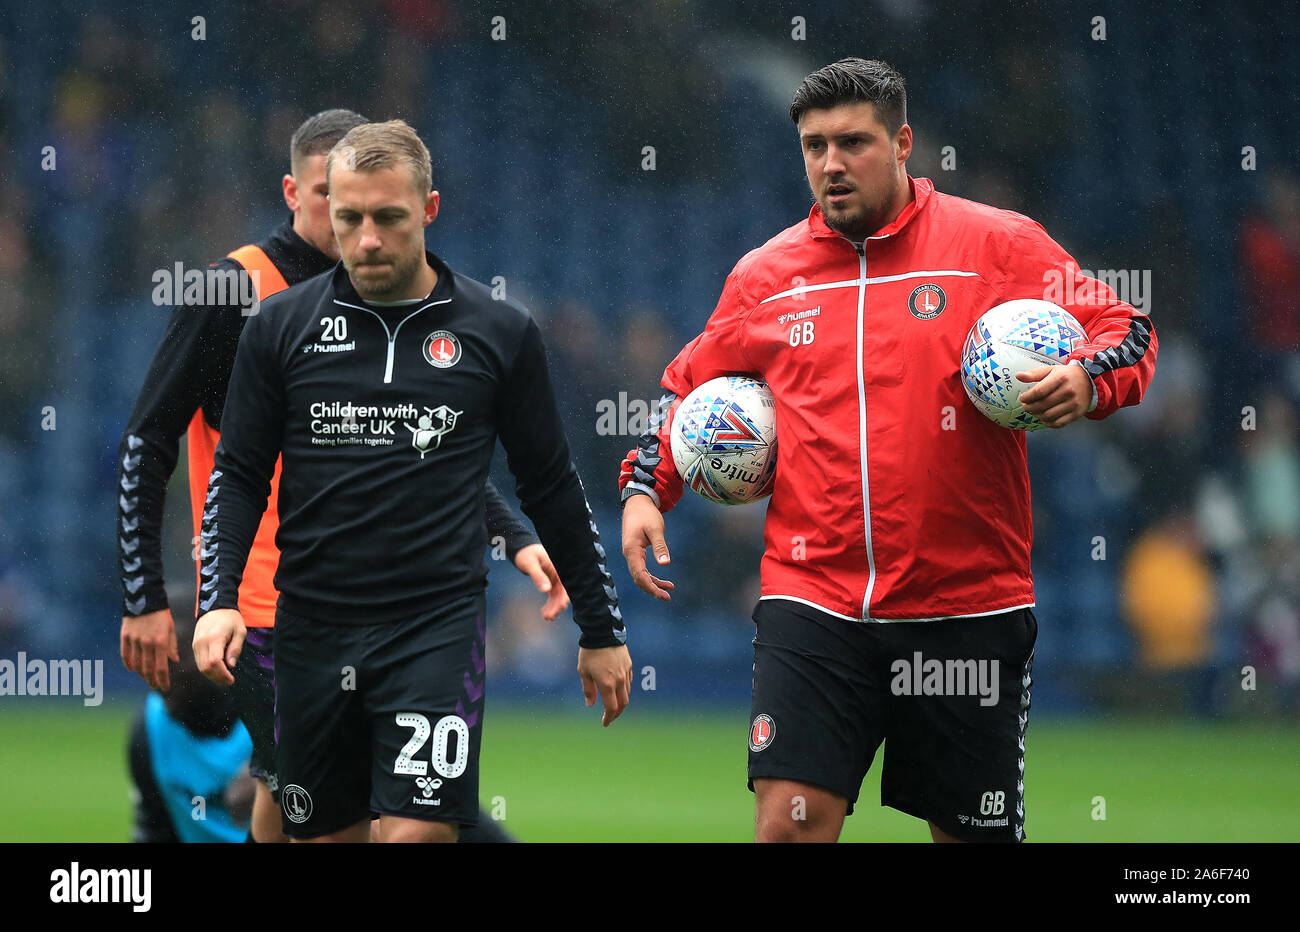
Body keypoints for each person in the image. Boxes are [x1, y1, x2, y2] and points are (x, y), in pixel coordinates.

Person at [619, 58, 1157, 843]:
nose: (831, 164)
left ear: (903, 142)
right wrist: (644, 489)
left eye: (853, 142)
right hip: (815, 602)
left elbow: (1126, 331)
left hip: (965, 606)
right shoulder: (766, 278)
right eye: (813, 146)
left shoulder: (996, 245)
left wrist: (1086, 378)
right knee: (786, 825)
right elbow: (685, 393)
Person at [117, 109, 567, 843]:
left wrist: (509, 530)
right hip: (263, 605)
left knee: (309, 798)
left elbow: (405, 451)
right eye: (329, 194)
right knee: (362, 806)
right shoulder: (231, 294)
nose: (350, 216)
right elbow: (146, 442)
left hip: (371, 595)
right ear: (294, 192)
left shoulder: (379, 301)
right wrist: (142, 596)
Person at [128, 591, 256, 843]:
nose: (162, 673)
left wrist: (272, 779)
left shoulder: (271, 708)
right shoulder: (149, 730)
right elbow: (155, 831)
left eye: (175, 658)